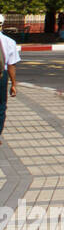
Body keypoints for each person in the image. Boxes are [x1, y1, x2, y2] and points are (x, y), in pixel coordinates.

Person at [0, 14, 20, 147]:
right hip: (2, 76)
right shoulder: (9, 42)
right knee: (1, 107)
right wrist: (13, 84)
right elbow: (11, 65)